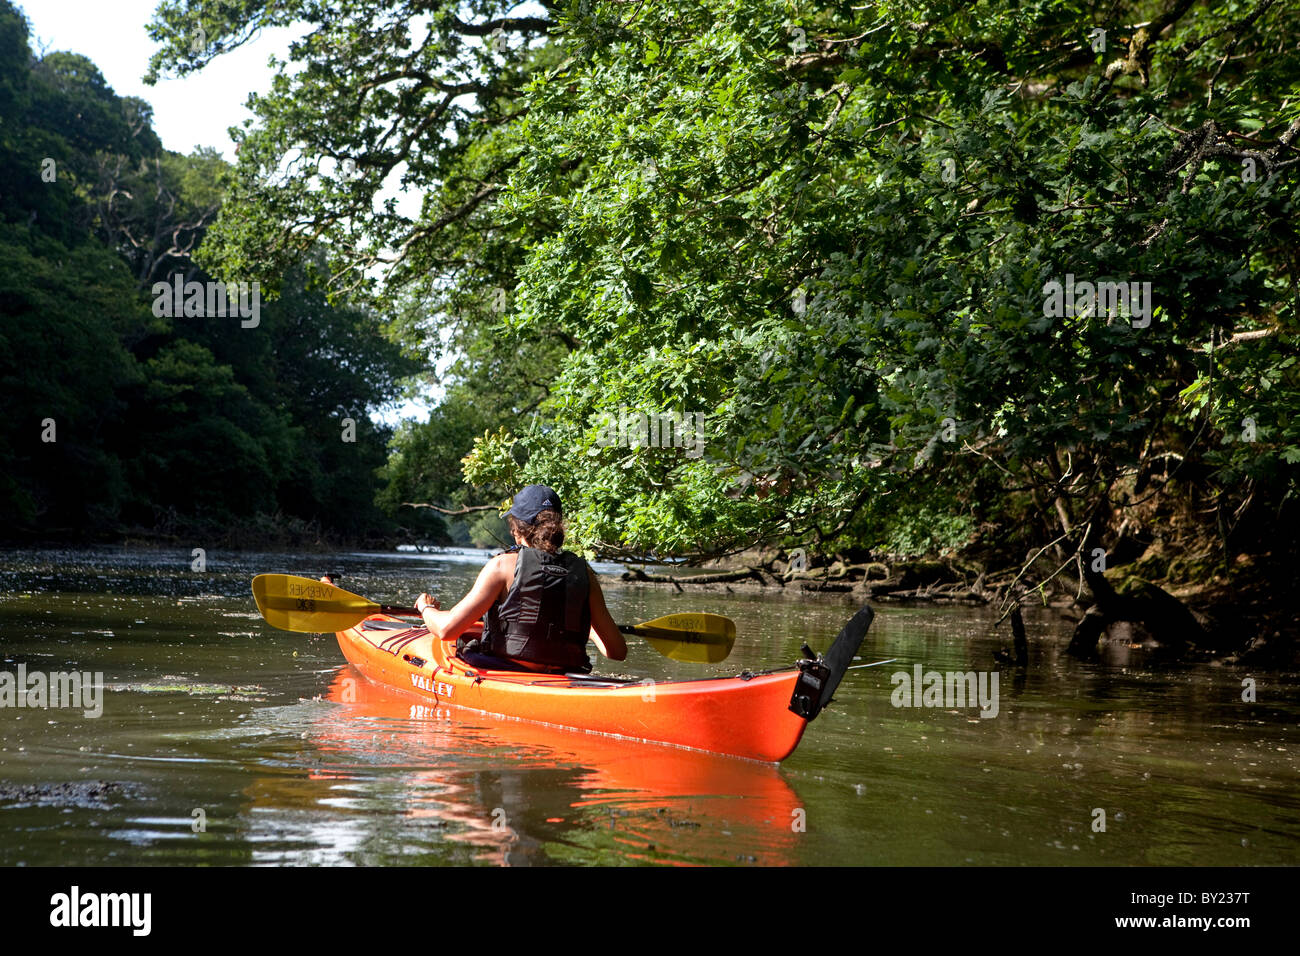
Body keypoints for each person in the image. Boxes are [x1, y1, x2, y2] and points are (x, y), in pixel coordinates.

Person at [413, 484, 627, 673]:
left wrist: (426, 608)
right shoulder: (584, 572)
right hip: (565, 673)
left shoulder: (502, 566)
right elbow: (617, 651)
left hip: (509, 671)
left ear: (516, 529)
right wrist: (586, 627)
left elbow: (446, 630)